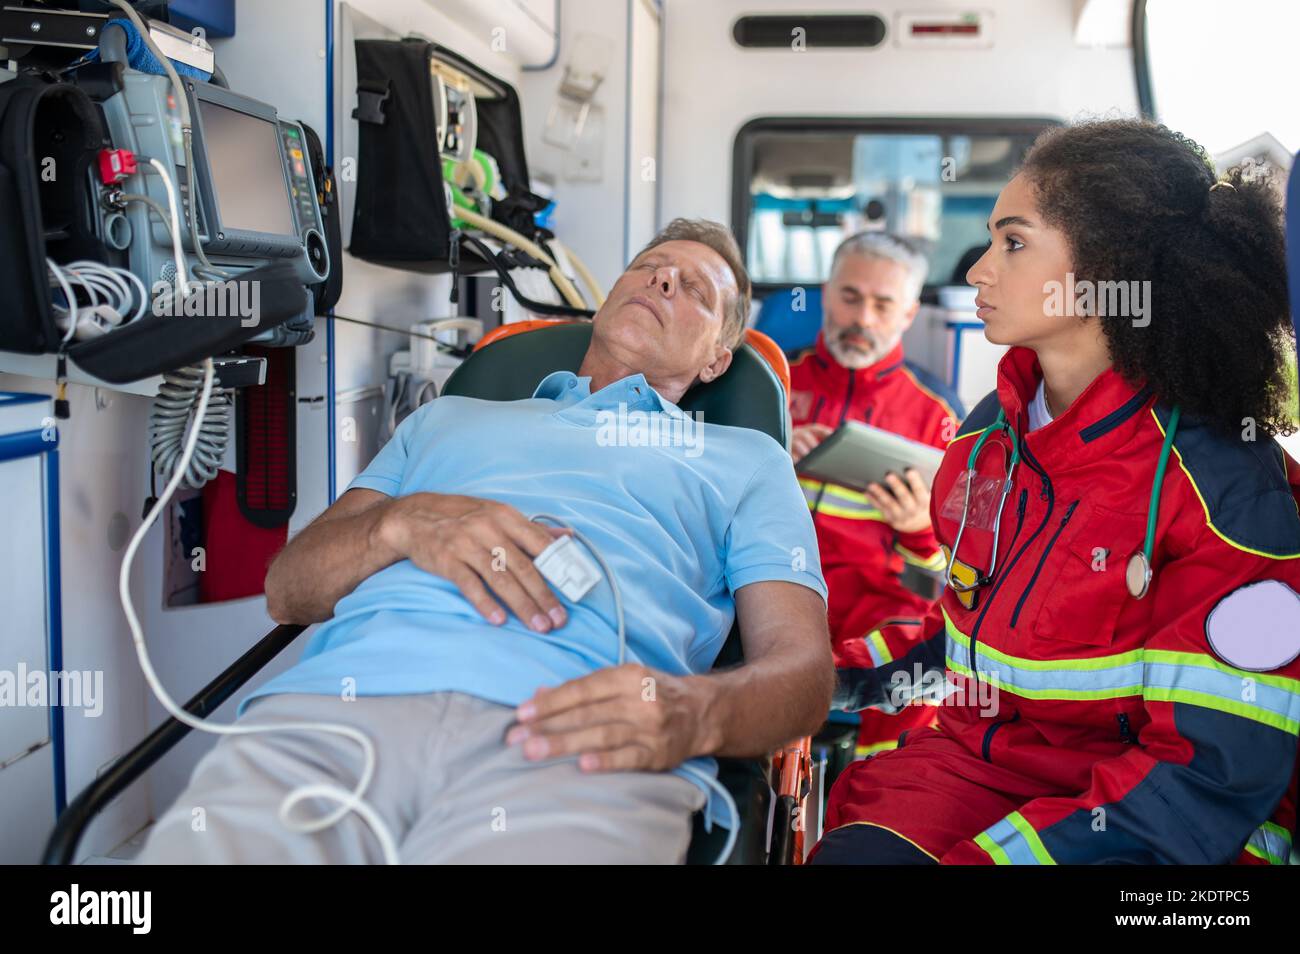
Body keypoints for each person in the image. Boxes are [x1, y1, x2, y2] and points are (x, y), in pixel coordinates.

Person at [139, 218, 833, 865]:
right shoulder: (448, 419)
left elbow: (802, 675)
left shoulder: (744, 459)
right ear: (608, 297)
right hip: (338, 714)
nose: (661, 280)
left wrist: (694, 715)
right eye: (650, 267)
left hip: (579, 736)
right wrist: (398, 523)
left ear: (717, 359)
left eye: (696, 290)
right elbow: (288, 591)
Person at [810, 119, 1300, 865]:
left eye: (1012, 242)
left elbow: (1209, 772)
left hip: (1157, 818)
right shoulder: (986, 441)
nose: (977, 271)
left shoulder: (1226, 489)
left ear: (1106, 271)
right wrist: (823, 679)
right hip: (984, 765)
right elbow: (974, 641)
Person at [788, 232, 963, 758]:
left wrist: (917, 528)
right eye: (850, 296)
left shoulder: (939, 417)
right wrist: (773, 455)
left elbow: (951, 583)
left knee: (921, 688)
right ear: (825, 293)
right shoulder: (773, 384)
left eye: (882, 304)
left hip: (880, 629)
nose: (862, 318)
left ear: (908, 314)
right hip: (774, 605)